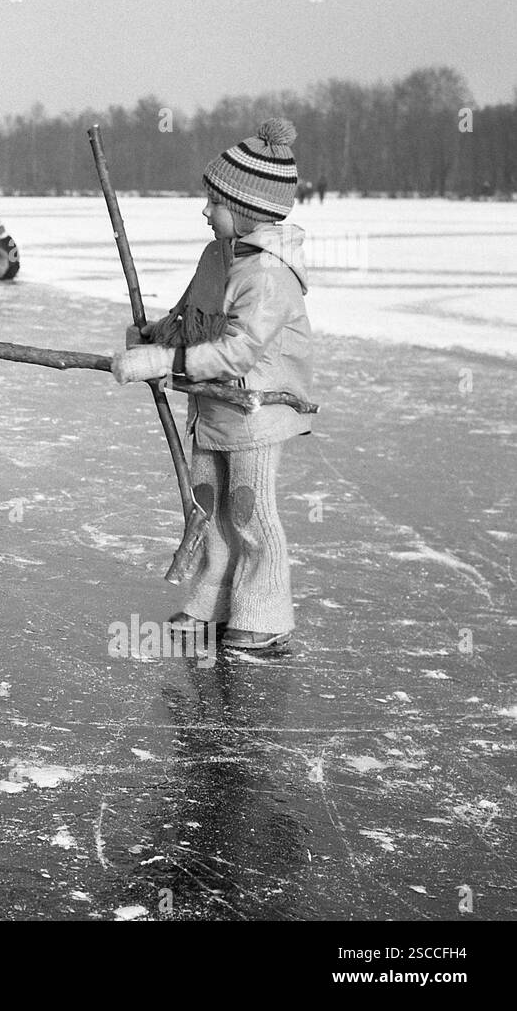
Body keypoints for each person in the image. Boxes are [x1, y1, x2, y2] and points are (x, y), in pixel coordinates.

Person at [111, 118, 314, 651]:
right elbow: (190, 318)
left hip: (252, 413)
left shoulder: (267, 274)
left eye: (214, 201)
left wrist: (163, 360)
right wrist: (154, 335)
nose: (205, 210)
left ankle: (265, 613)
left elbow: (240, 351)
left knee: (248, 511)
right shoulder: (218, 257)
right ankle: (212, 602)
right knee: (207, 504)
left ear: (247, 209)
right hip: (210, 407)